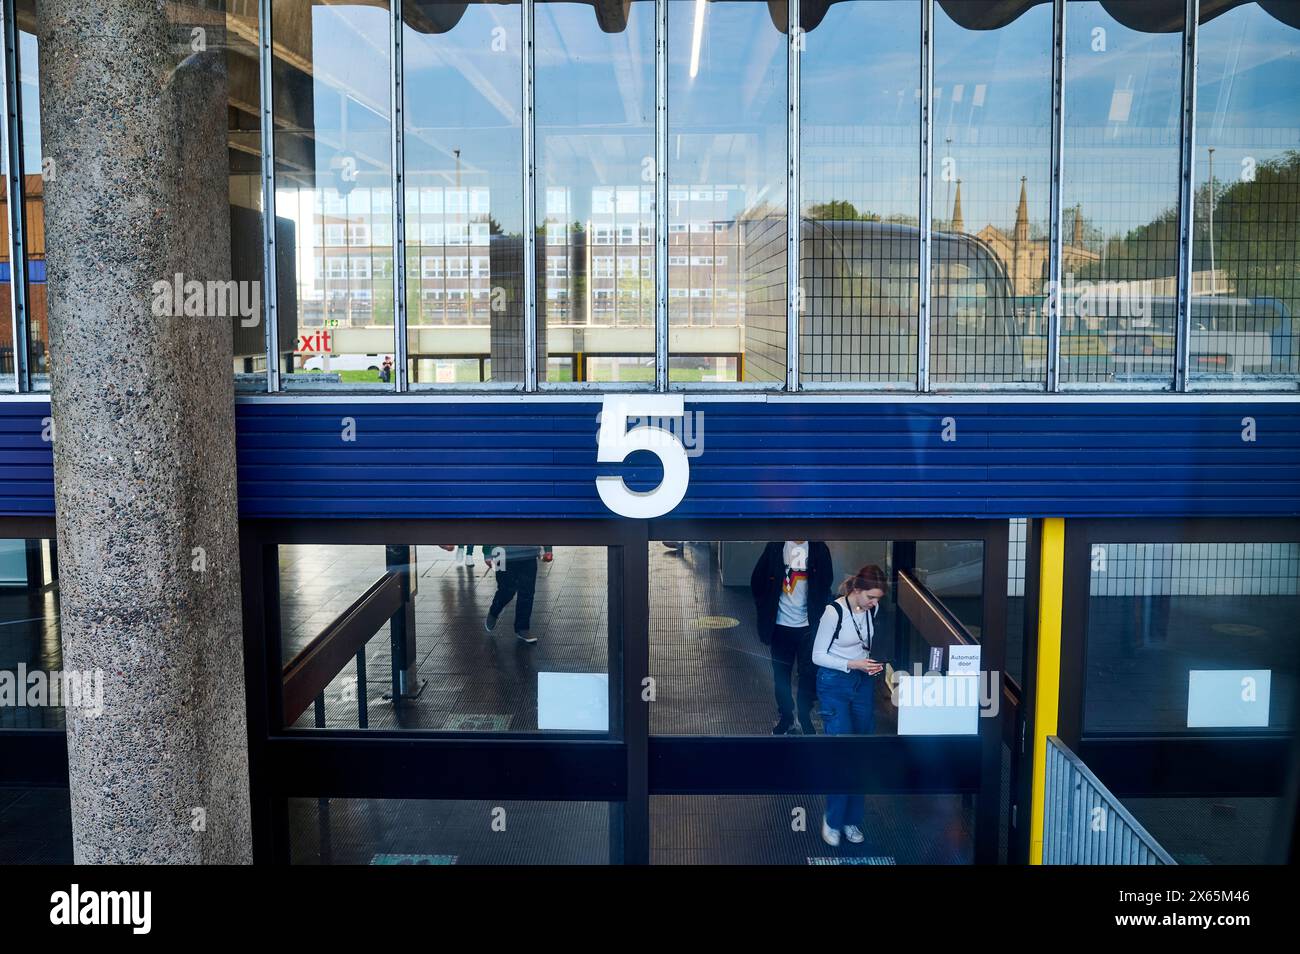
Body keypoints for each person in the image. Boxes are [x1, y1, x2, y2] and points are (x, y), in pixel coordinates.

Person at [811, 563, 888, 848]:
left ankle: (852, 819)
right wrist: (851, 663)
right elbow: (817, 656)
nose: (874, 603)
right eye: (871, 597)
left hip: (861, 681)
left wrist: (868, 666)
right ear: (857, 590)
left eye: (878, 599)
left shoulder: (871, 610)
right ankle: (833, 819)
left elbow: (865, 645)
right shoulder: (834, 612)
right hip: (834, 682)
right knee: (842, 751)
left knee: (861, 752)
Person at [750, 540, 833, 735]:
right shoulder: (776, 547)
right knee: (781, 677)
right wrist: (766, 609)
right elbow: (757, 581)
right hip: (780, 627)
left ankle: (804, 717)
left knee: (807, 675)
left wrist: (817, 615)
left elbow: (825, 583)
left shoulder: (818, 549)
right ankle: (786, 717)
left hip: (808, 628)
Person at [480, 544, 553, 644]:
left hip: (529, 554)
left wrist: (548, 549)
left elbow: (543, 528)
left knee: (527, 592)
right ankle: (494, 611)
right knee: (505, 590)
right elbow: (488, 529)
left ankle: (522, 628)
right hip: (500, 554)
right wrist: (487, 553)